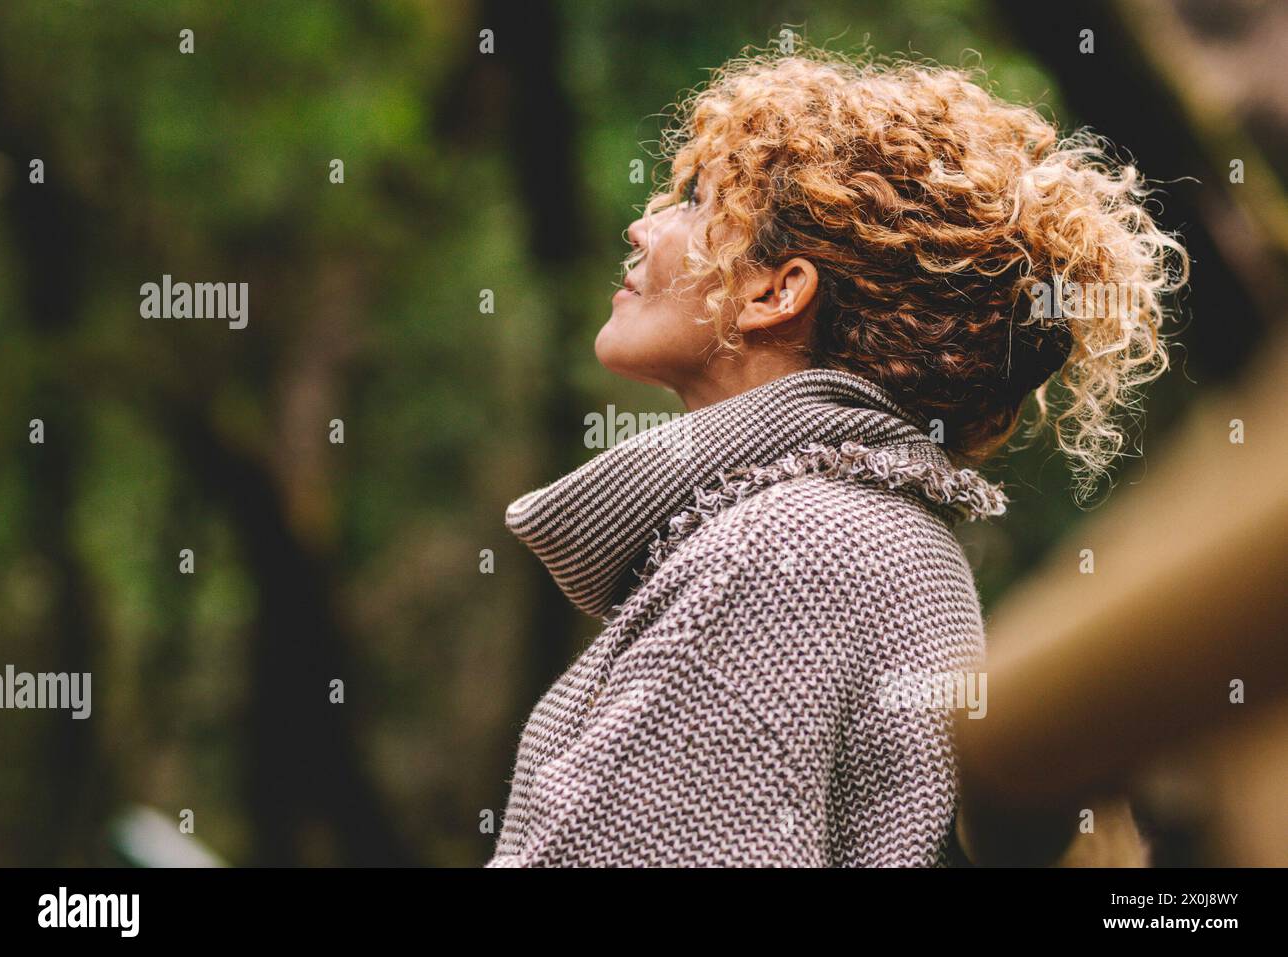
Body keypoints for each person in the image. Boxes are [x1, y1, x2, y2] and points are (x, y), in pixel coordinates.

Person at [486, 44, 1188, 867]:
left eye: (693, 201)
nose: (642, 226)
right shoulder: (867, 532)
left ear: (775, 293)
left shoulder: (789, 548)